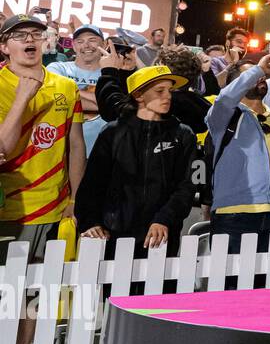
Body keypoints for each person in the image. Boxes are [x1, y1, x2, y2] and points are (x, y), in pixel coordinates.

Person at [0, 14, 86, 344]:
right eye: (20, 35)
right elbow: (2, 149)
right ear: (5, 46)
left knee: (33, 295)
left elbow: (75, 146)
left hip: (52, 209)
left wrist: (75, 200)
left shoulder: (66, 87)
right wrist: (23, 95)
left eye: (36, 33)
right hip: (8, 209)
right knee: (7, 296)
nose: (30, 40)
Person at [75, 65, 196, 256]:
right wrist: (90, 221)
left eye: (170, 91)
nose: (168, 96)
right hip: (113, 235)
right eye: (159, 91)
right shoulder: (112, 132)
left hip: (162, 236)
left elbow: (188, 185)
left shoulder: (183, 134)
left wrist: (164, 219)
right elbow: (92, 182)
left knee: (158, 286)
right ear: (139, 95)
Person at [206, 55, 270, 256]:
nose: (260, 78)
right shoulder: (224, 117)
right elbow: (225, 99)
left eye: (261, 75)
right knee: (231, 285)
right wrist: (258, 70)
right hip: (233, 215)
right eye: (250, 75)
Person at [49, 25, 108, 154]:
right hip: (61, 150)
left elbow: (116, 107)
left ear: (103, 44)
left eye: (92, 40)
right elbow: (56, 99)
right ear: (74, 46)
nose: (86, 45)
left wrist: (70, 93)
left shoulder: (111, 74)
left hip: (101, 152)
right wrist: (102, 102)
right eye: (80, 42)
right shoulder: (57, 68)